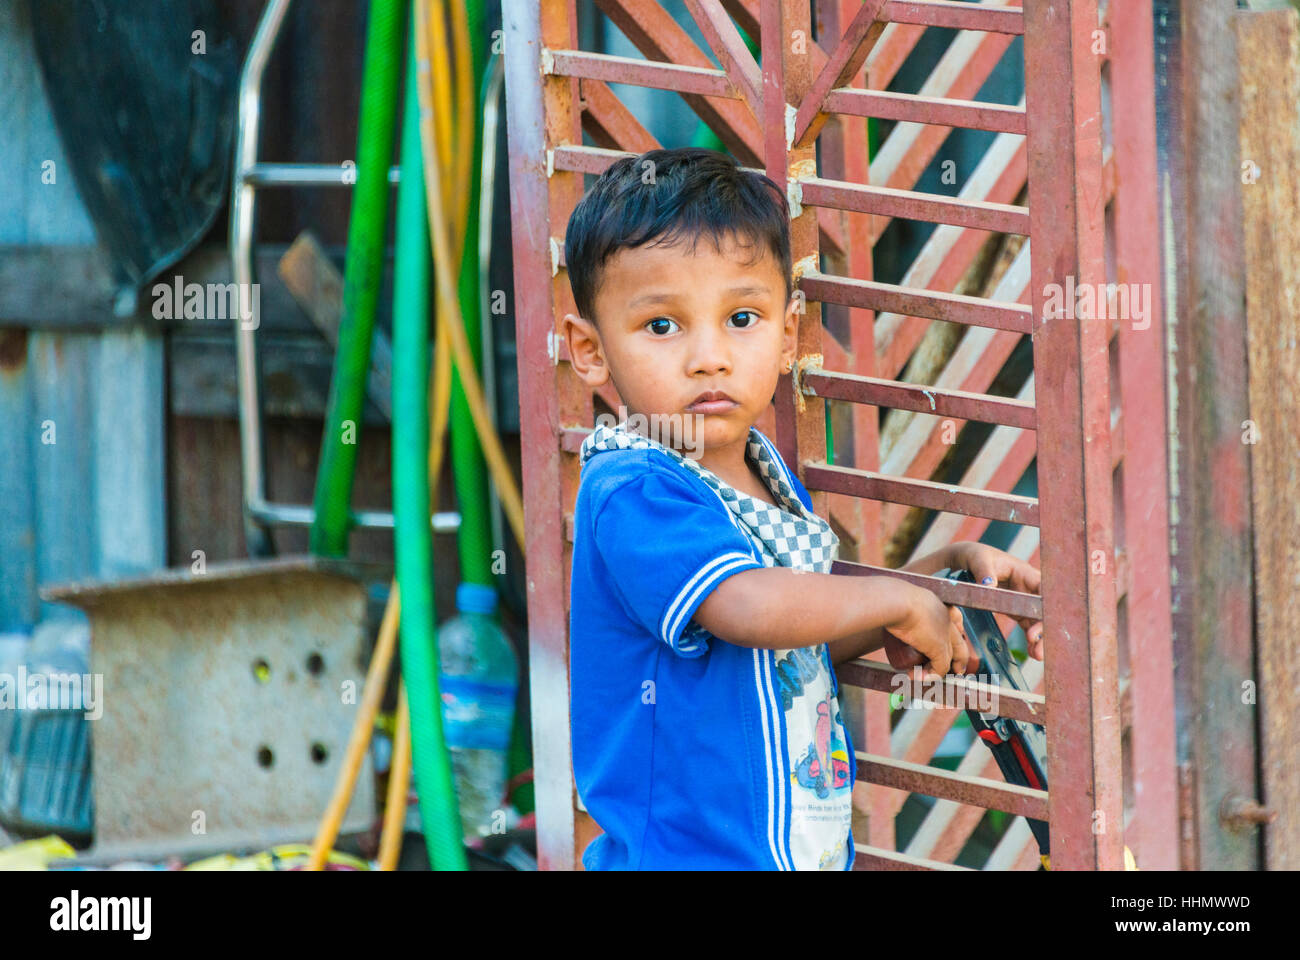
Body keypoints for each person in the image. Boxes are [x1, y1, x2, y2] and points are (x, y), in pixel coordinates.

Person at [561, 147, 1043, 870]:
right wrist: (891, 599)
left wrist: (923, 584)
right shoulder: (634, 489)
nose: (709, 357)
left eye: (742, 317)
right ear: (590, 351)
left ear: (787, 336)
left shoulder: (761, 471)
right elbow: (748, 610)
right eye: (663, 326)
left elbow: (790, 645)